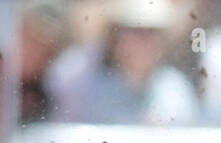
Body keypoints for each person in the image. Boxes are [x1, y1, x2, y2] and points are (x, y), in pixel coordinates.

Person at [45, 0, 199, 125]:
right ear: (114, 37)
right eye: (132, 31)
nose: (141, 42)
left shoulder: (175, 89)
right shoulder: (83, 79)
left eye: (150, 33)